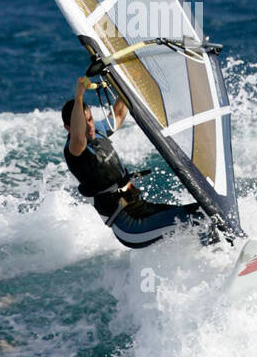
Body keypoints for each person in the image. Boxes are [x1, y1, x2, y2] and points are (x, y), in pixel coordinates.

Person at [62, 76, 203, 248]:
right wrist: (79, 97)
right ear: (68, 128)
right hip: (130, 227)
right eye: (83, 123)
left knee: (202, 210)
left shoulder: (96, 131)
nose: (89, 126)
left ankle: (219, 254)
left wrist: (124, 77)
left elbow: (120, 113)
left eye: (90, 119)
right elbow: (78, 136)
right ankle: (221, 261)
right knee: (197, 220)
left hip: (141, 209)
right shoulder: (75, 150)